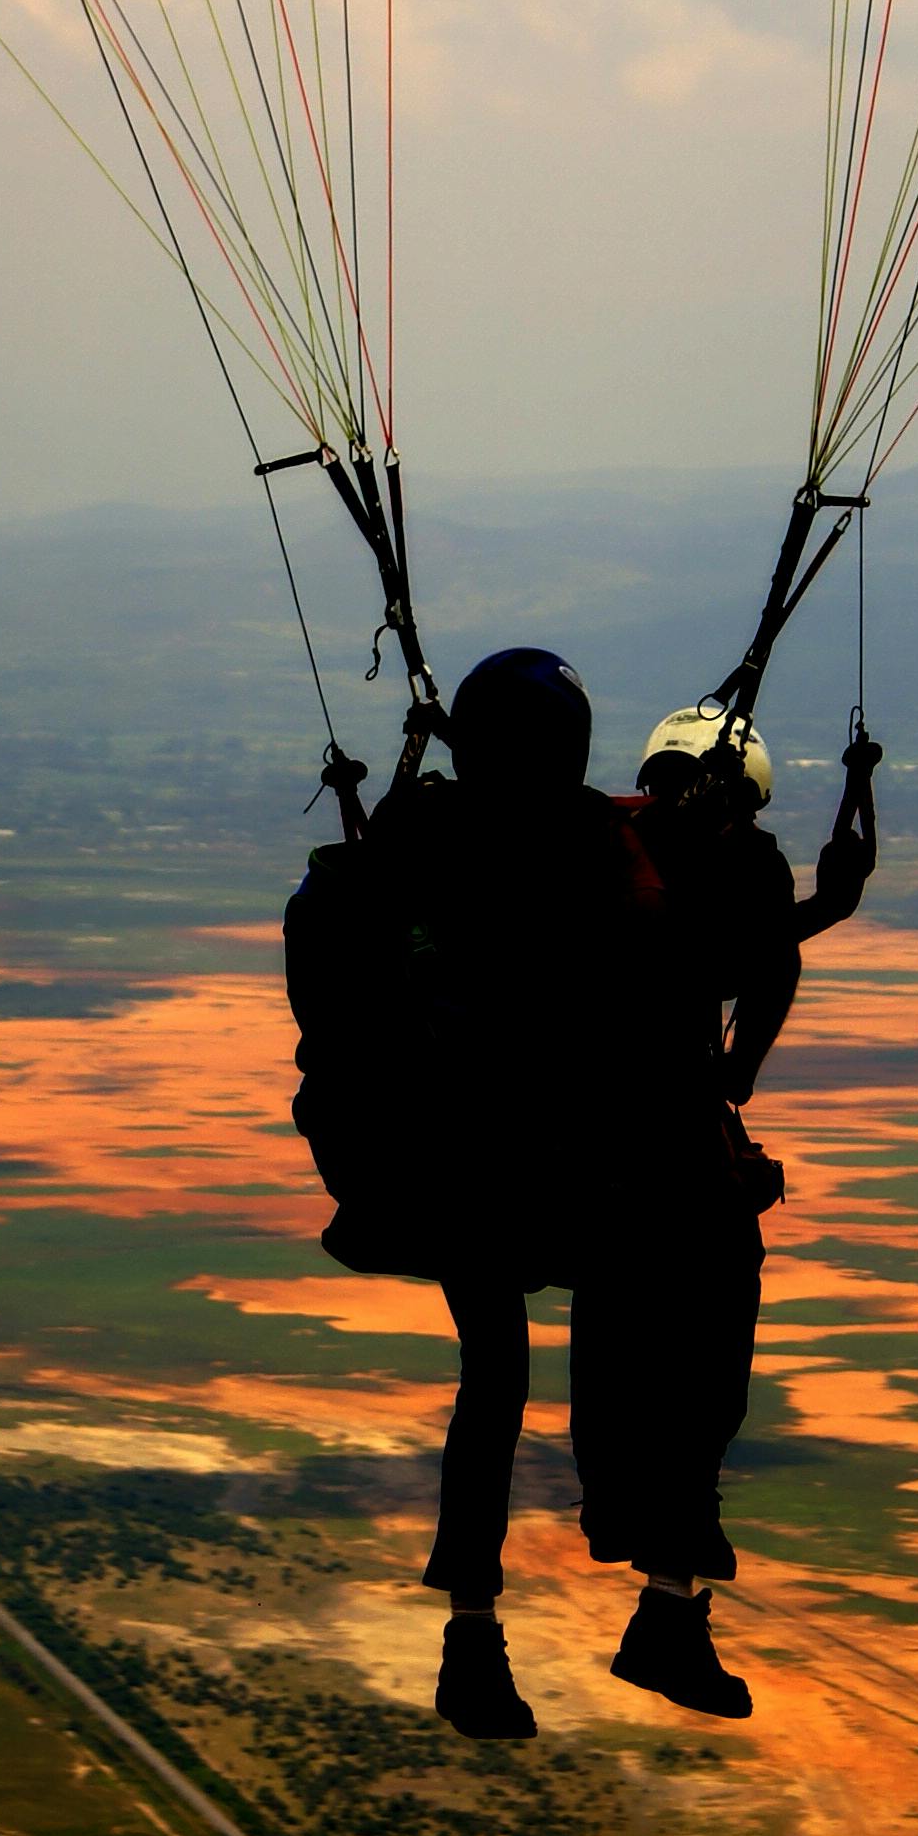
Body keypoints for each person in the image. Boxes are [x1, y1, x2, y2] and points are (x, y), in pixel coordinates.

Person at [286, 647, 708, 1740]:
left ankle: (474, 1637)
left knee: (497, 1380)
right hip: (550, 1168)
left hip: (451, 1168)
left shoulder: (420, 838)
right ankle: (661, 1600)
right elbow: (661, 951)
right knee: (655, 1338)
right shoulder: (595, 842)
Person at [574, 706, 881, 1721]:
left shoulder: (590, 862)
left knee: (624, 1361)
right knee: (701, 1373)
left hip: (587, 1172)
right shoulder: (672, 895)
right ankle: (662, 1604)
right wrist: (811, 917)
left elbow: (704, 957)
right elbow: (727, 969)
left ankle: (656, 1588)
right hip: (663, 1170)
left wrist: (809, 916)